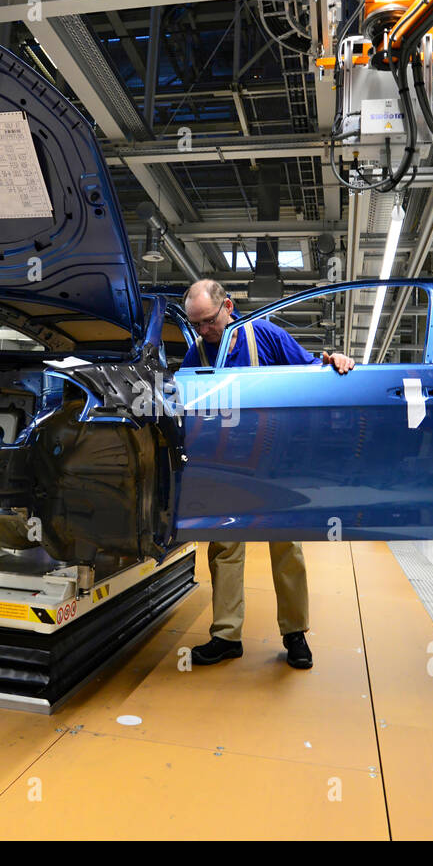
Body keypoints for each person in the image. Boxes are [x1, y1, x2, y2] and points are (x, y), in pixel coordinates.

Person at [180, 278, 355, 670]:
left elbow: (310, 369)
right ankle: (226, 636)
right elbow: (187, 406)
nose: (204, 331)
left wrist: (333, 361)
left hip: (276, 463)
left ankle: (295, 634)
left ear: (227, 307)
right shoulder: (196, 355)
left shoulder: (266, 335)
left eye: (209, 321)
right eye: (197, 325)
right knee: (224, 547)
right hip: (227, 467)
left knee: (286, 546)